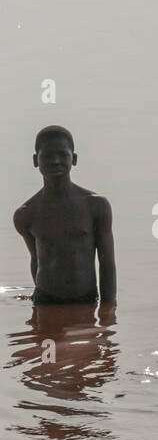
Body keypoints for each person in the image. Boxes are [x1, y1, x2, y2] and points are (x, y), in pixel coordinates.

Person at [13, 125, 116, 312]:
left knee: (88, 340)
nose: (56, 161)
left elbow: (107, 263)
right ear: (36, 160)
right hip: (45, 299)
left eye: (63, 155)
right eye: (47, 156)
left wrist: (108, 312)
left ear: (74, 159)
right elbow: (37, 258)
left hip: (85, 299)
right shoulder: (26, 214)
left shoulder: (96, 206)